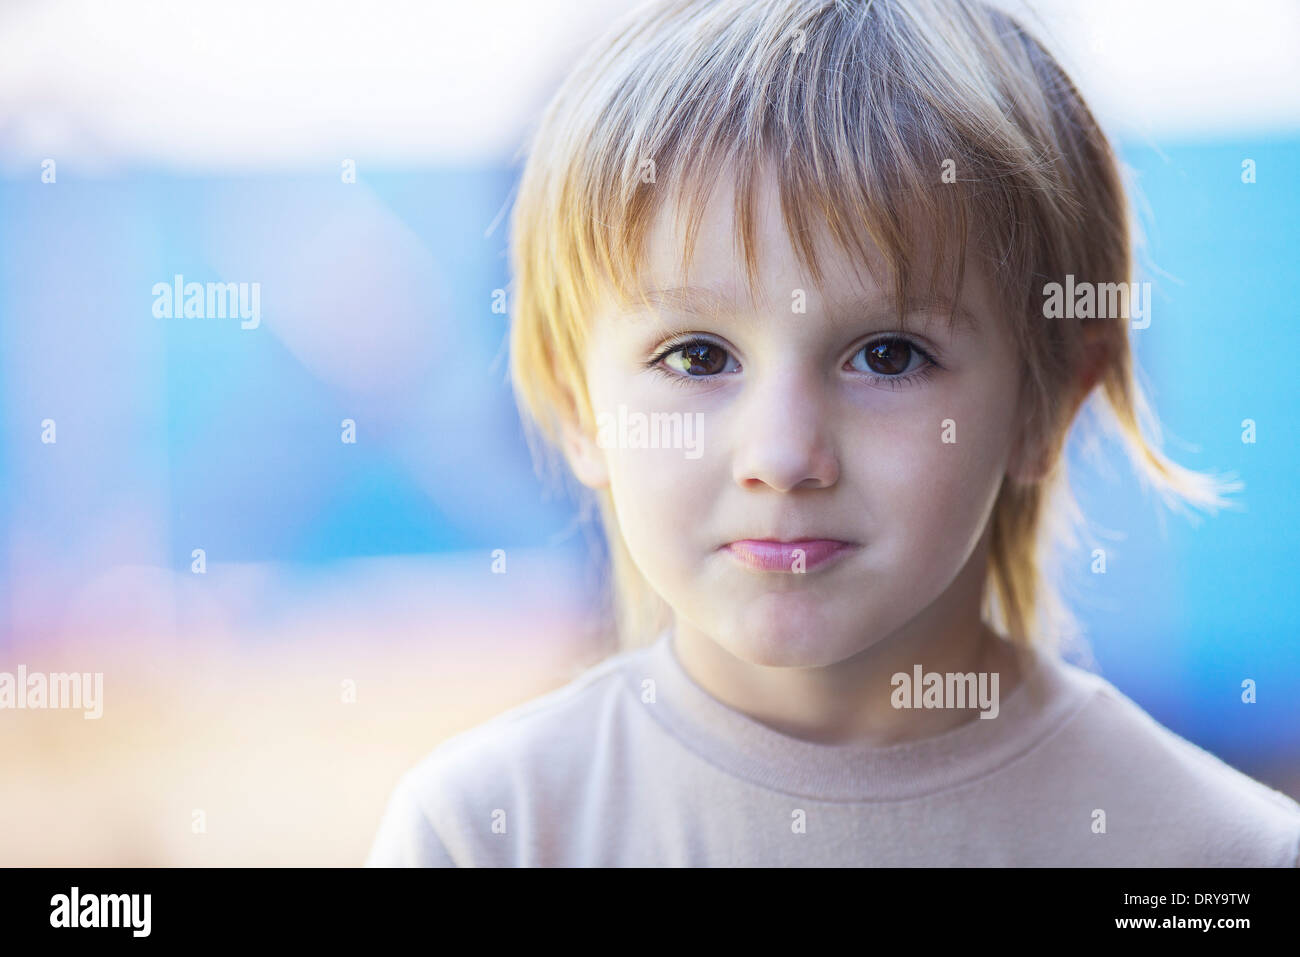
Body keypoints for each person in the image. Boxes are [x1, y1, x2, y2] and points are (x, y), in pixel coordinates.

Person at [366, 0, 1300, 866]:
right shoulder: (487, 833)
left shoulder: (1210, 858)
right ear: (578, 402)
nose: (781, 455)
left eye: (888, 356)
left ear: (1049, 399)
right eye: (697, 357)